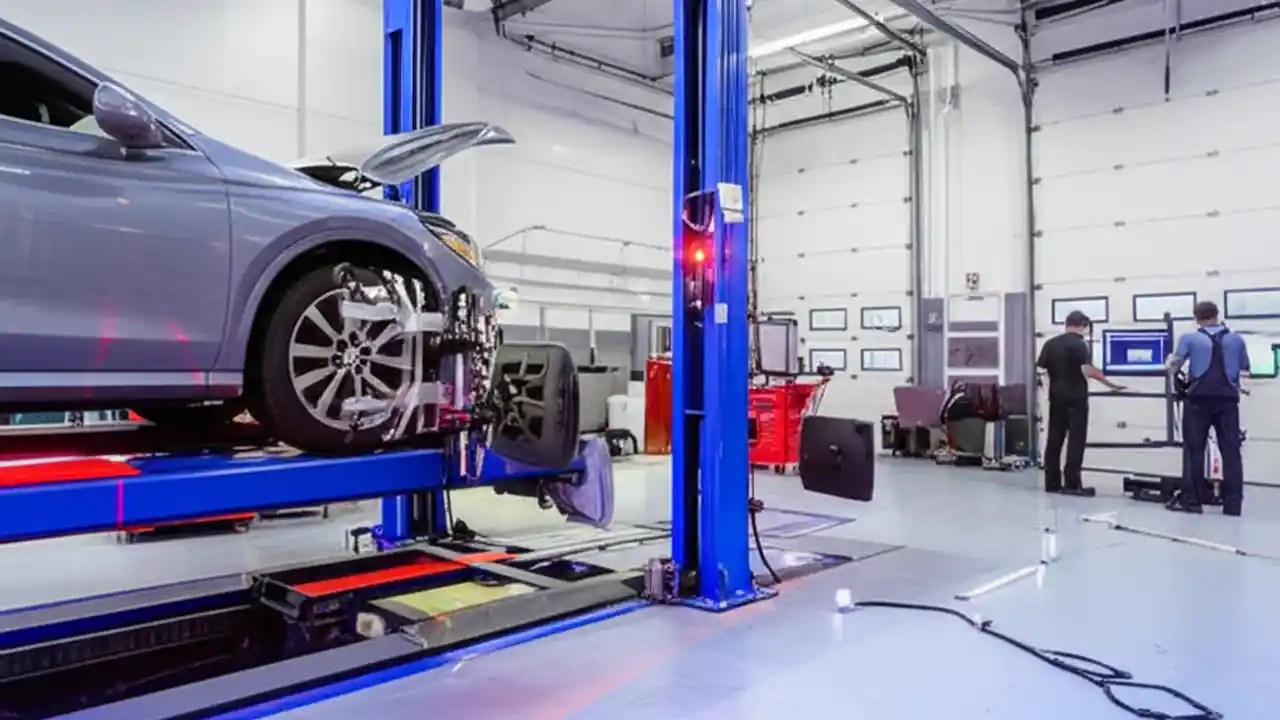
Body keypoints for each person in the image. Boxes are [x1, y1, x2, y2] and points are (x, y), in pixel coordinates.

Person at [1165, 301, 1249, 516]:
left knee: (1194, 450)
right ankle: (1233, 505)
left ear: (1196, 317)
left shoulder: (1190, 339)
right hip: (1228, 400)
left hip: (1198, 401)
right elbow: (1244, 368)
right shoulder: (1236, 339)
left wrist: (1169, 364)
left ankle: (1193, 502)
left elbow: (1175, 366)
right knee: (1231, 452)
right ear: (1217, 315)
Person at [1036, 311, 1125, 496]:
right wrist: (1111, 384)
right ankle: (1072, 483)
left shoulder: (1050, 343)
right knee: (1076, 441)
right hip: (1076, 398)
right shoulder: (1079, 344)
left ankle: (1051, 483)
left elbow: (1041, 370)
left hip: (1056, 397)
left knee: (1054, 440)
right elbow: (1087, 369)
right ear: (1083, 326)